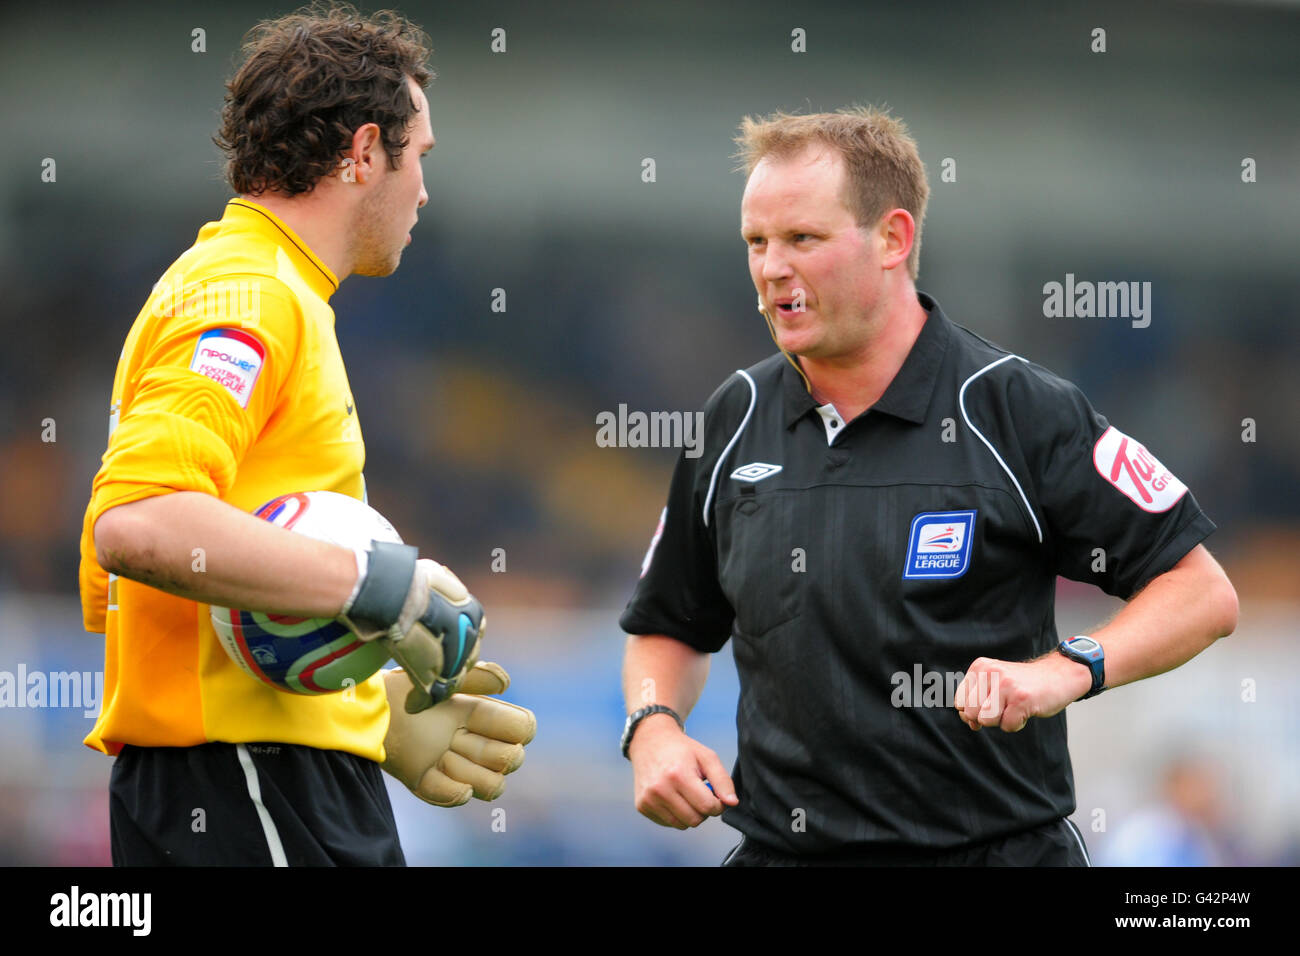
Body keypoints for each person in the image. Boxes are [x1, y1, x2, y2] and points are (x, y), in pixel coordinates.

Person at [618, 107, 1238, 866]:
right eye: (757, 241)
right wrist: (653, 727)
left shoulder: (1017, 411)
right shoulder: (734, 417)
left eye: (802, 239)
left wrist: (1065, 669)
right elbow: (670, 624)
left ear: (893, 238)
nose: (772, 266)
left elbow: (1201, 593)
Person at [78, 5, 535, 866]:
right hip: (245, 782)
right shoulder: (246, 295)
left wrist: (360, 717)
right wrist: (381, 589)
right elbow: (138, 524)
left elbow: (220, 580)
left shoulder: (260, 287)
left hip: (263, 771)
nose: (425, 191)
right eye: (421, 157)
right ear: (365, 152)